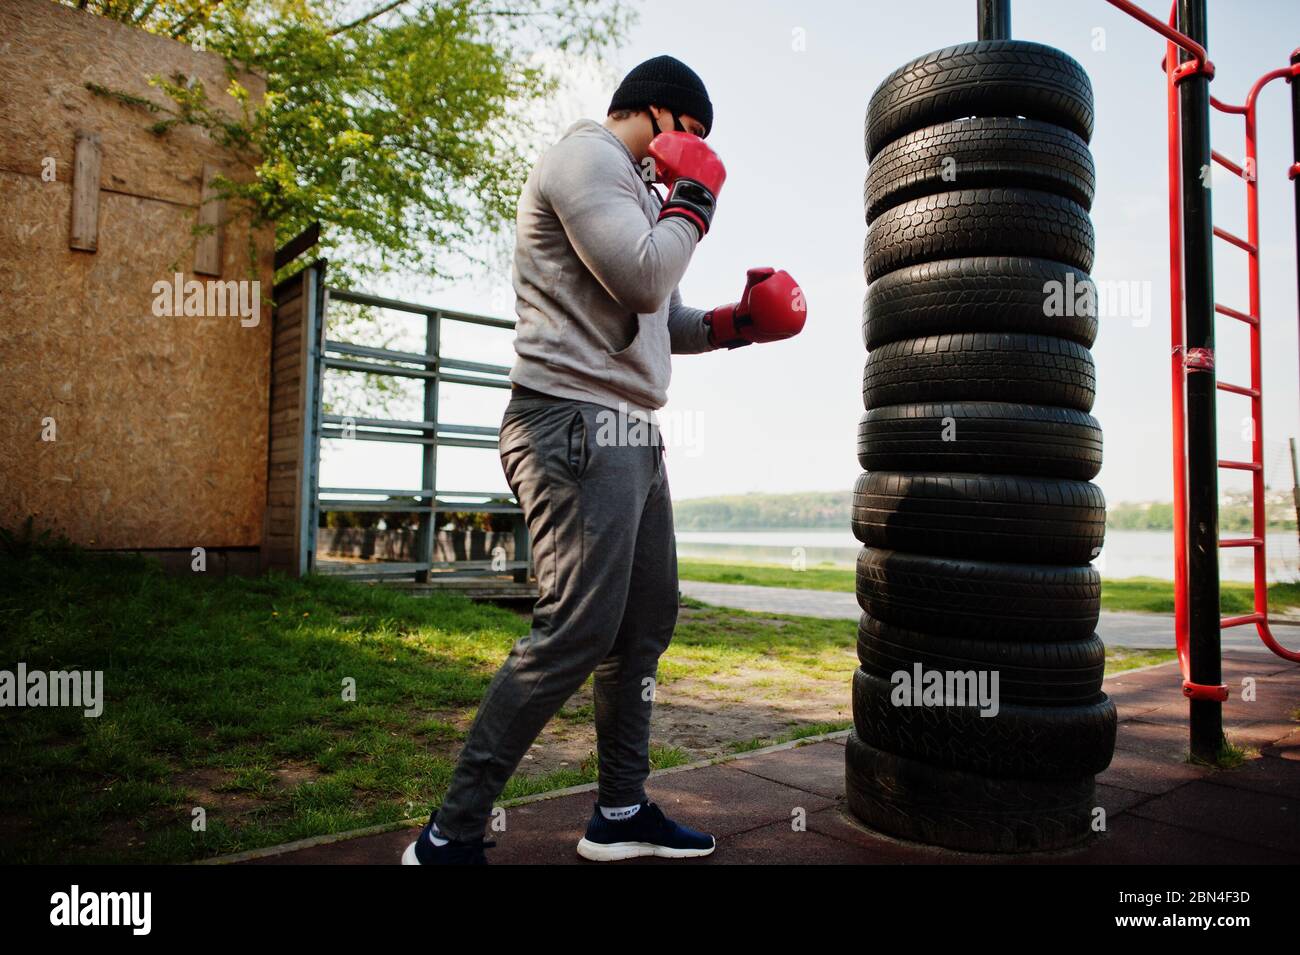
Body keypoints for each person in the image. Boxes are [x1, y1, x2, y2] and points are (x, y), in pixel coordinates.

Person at [403, 54, 806, 865]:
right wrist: (696, 199)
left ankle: (620, 812)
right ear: (659, 115)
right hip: (571, 420)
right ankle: (450, 832)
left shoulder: (638, 191)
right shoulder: (586, 156)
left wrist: (738, 322)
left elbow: (661, 315)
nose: (696, 157)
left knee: (643, 624)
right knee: (575, 630)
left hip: (629, 430)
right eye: (695, 137)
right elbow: (642, 273)